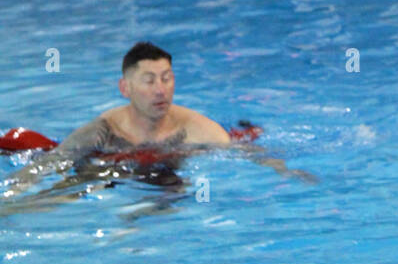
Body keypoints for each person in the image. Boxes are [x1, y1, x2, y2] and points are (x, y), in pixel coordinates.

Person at [1, 42, 230, 197]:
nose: (160, 90)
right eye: (149, 81)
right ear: (125, 88)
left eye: (166, 79)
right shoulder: (104, 130)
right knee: (68, 192)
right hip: (105, 173)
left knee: (175, 191)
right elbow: (46, 166)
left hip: (159, 181)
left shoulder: (199, 131)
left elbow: (249, 155)